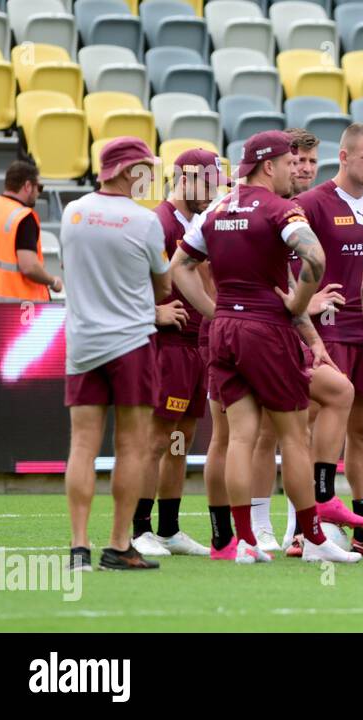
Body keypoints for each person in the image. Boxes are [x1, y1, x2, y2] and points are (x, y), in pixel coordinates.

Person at [170, 130, 359, 564]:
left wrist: (213, 311)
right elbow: (314, 258)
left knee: (238, 438)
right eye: (290, 162)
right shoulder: (281, 209)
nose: (297, 169)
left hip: (224, 331)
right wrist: (297, 303)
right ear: (268, 165)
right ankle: (312, 538)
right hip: (266, 329)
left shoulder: (216, 209)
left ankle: (244, 543)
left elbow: (180, 265)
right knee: (293, 435)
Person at [61, 138, 170, 571]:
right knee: (132, 447)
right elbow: (163, 287)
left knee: (82, 446)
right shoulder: (144, 222)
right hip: (131, 343)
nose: (149, 177)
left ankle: (78, 548)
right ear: (129, 171)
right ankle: (120, 544)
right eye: (145, 169)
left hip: (84, 341)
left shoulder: (73, 212)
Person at [293, 123, 363, 556]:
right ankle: (306, 526)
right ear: (345, 157)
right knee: (314, 424)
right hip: (328, 329)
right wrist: (305, 299)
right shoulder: (311, 203)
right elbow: (279, 258)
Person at [130, 149, 228, 559]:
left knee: (180, 439)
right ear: (184, 179)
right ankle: (138, 528)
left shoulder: (199, 223)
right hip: (167, 344)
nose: (213, 191)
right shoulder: (159, 222)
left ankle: (168, 528)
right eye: (207, 182)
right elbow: (129, 280)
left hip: (194, 345)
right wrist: (153, 311)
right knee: (156, 439)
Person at [0, 160, 60, 302]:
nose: (38, 193)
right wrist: (52, 281)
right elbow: (29, 267)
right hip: (14, 310)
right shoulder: (23, 217)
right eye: (39, 187)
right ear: (28, 186)